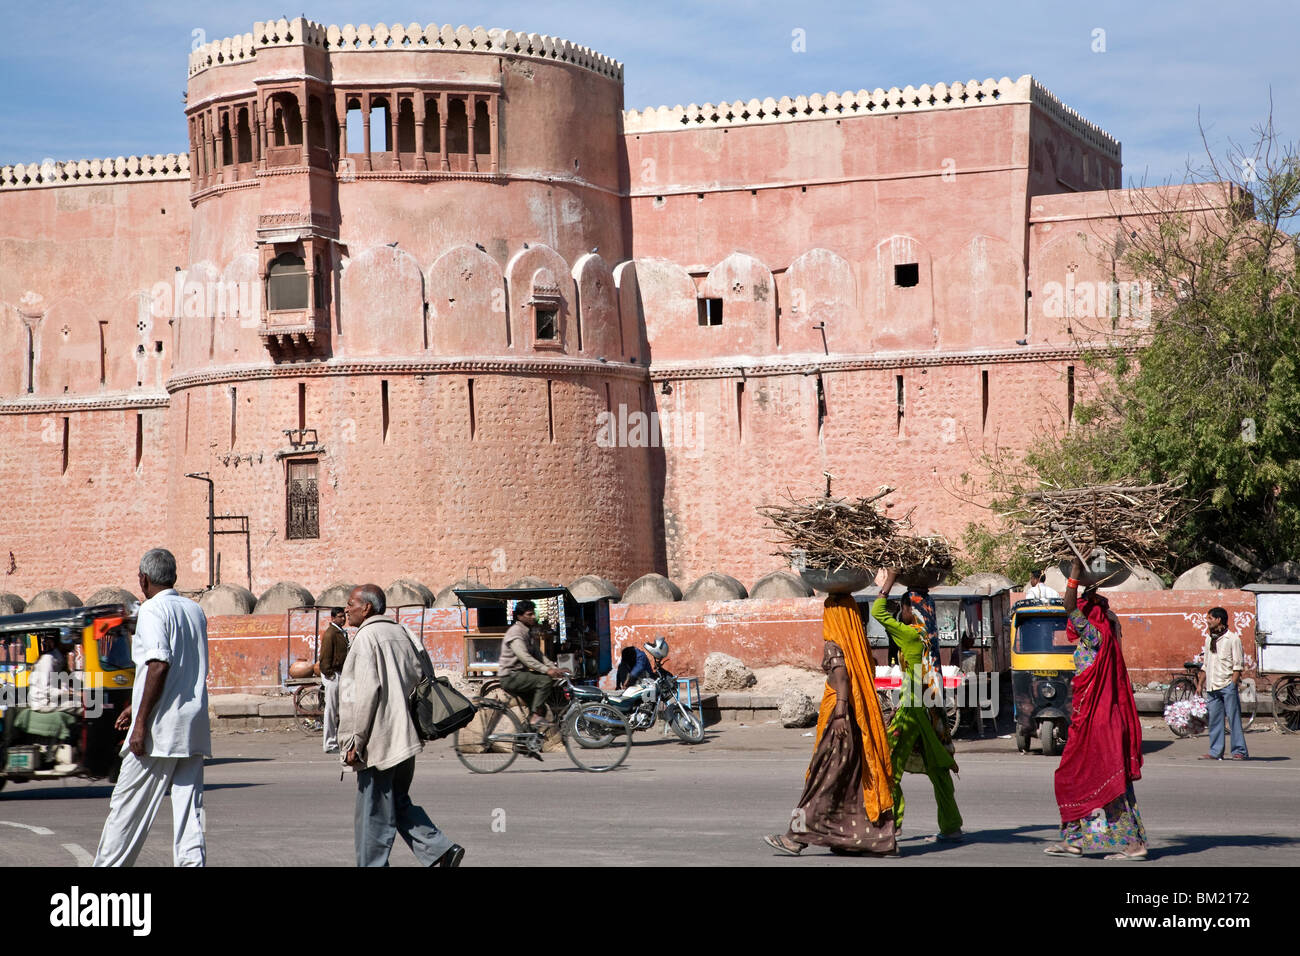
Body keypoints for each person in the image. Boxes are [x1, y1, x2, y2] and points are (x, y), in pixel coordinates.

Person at [94, 549, 210, 867]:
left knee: (126, 809)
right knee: (190, 813)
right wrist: (136, 706)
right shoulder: (194, 610)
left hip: (160, 729)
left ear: (144, 579)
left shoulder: (152, 610)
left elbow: (159, 664)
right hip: (192, 722)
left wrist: (141, 722)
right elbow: (182, 669)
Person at [339, 584, 463, 868]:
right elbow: (425, 678)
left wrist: (353, 741)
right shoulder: (403, 632)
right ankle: (441, 851)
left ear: (367, 607)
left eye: (350, 604)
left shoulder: (365, 638)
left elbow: (360, 696)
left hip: (378, 740)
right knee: (396, 801)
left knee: (372, 813)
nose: (347, 609)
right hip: (406, 737)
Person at [765, 593, 895, 857]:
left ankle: (795, 837)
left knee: (822, 780)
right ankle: (868, 839)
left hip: (841, 722)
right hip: (855, 719)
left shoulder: (834, 644)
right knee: (853, 781)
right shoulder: (857, 644)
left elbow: (842, 677)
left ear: (834, 618)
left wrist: (838, 714)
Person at [1044, 556, 1146, 860]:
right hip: (1091, 716)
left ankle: (1134, 844)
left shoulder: (1094, 636)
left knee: (1105, 779)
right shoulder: (1105, 634)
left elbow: (1069, 607)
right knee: (1077, 776)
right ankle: (1073, 840)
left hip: (1098, 721)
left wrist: (1074, 575)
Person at [872, 568, 963, 843]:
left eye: (903, 607)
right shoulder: (929, 634)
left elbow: (877, 611)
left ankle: (892, 823)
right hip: (932, 706)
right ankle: (951, 825)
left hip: (912, 709)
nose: (901, 612)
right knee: (938, 766)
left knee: (888, 763)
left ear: (912, 610)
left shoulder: (909, 635)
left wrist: (890, 578)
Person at [497, 600, 565, 729]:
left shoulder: (527, 632)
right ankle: (534, 717)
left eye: (533, 614)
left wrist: (555, 668)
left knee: (541, 709)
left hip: (520, 675)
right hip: (510, 676)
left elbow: (539, 655)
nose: (533, 617)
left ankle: (525, 740)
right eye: (529, 614)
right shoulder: (516, 632)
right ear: (520, 616)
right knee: (544, 680)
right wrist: (547, 671)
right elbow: (526, 658)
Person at [1196, 607, 1248, 761]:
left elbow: (1238, 666)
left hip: (1227, 685)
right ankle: (1215, 751)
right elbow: (1206, 665)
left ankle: (1239, 751)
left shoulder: (1233, 639)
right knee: (1215, 721)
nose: (1207, 621)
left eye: (1210, 618)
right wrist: (1200, 684)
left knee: (1233, 719)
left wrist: (1232, 684)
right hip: (1212, 687)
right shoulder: (1209, 639)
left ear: (1218, 620)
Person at [315, 607, 349, 754]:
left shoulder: (340, 632)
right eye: (340, 617)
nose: (343, 619)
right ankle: (329, 743)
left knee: (340, 710)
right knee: (331, 710)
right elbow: (324, 657)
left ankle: (339, 740)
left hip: (340, 673)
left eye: (344, 616)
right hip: (332, 675)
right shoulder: (330, 634)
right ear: (333, 618)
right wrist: (329, 674)